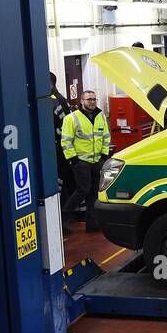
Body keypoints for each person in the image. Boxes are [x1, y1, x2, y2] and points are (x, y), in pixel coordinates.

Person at [60, 89, 111, 233]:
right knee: (83, 190)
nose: (92, 102)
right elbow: (66, 141)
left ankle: (92, 223)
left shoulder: (100, 116)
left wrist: (103, 155)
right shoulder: (71, 118)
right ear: (82, 101)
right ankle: (64, 218)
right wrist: (74, 160)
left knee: (94, 192)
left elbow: (106, 136)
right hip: (81, 162)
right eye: (89, 99)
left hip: (97, 160)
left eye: (94, 99)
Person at [49, 73, 74, 234]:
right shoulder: (49, 101)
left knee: (60, 185)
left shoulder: (57, 102)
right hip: (55, 150)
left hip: (60, 151)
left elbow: (68, 125)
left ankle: (62, 220)